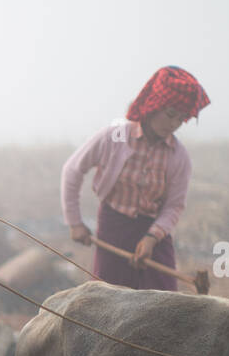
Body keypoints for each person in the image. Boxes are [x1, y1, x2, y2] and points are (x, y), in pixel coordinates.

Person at [61, 65, 210, 290]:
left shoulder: (179, 157)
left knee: (164, 302)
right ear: (153, 105)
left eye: (181, 119)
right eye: (170, 114)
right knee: (108, 298)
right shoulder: (114, 137)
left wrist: (151, 237)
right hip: (113, 228)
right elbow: (72, 171)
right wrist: (75, 223)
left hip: (154, 233)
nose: (173, 124)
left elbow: (174, 206)